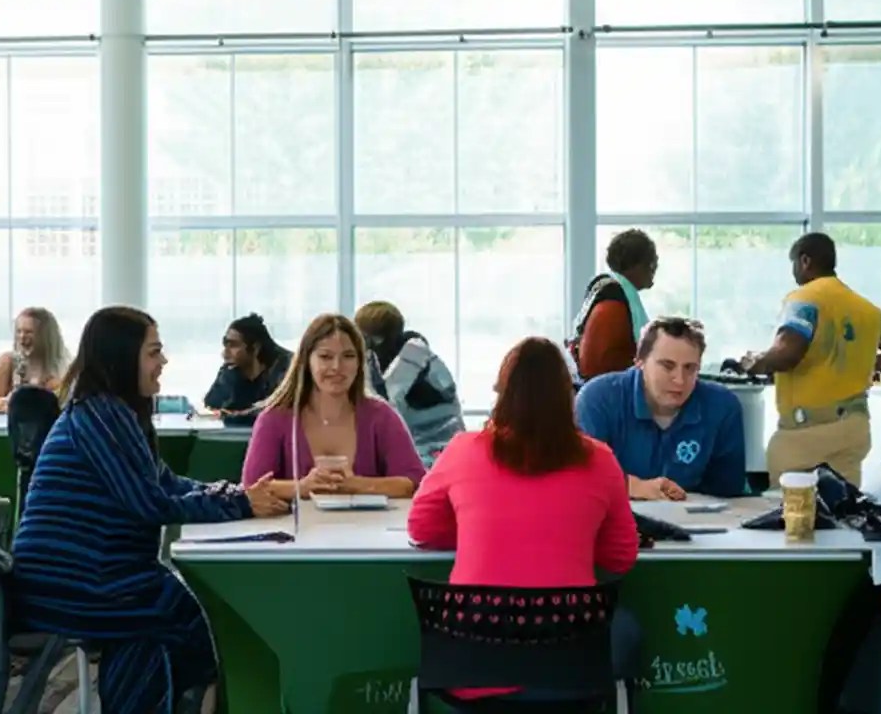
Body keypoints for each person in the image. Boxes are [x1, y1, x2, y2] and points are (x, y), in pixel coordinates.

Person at [10, 305, 289, 714]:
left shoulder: (110, 412)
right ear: (123, 358)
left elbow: (166, 483)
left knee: (166, 627)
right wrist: (242, 502)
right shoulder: (99, 416)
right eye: (154, 352)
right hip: (71, 581)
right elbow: (150, 504)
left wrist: (237, 495)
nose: (164, 361)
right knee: (190, 621)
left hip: (91, 575)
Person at [408, 336, 640, 705]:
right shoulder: (600, 460)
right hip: (570, 669)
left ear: (502, 393)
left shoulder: (462, 450)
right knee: (626, 629)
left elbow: (421, 530)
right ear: (568, 397)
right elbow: (621, 557)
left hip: (471, 665)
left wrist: (480, 529)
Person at [741, 232, 881, 486]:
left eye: (794, 265)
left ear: (805, 261)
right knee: (844, 510)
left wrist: (755, 362)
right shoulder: (866, 309)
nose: (794, 272)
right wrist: (861, 364)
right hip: (854, 427)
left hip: (806, 433)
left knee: (793, 513)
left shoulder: (804, 299)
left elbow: (787, 353)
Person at [241, 313, 426, 499]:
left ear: (360, 362)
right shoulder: (274, 418)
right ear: (307, 361)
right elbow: (251, 488)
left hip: (368, 527)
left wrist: (356, 484)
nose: (337, 367)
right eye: (325, 357)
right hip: (295, 527)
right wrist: (303, 487)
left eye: (348, 356)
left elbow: (415, 481)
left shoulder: (382, 416)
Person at [577, 316, 747, 500]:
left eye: (690, 368)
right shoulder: (598, 399)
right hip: (614, 518)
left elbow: (729, 495)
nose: (679, 380)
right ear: (639, 361)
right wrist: (632, 486)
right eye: (667, 366)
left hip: (692, 521)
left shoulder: (722, 407)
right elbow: (578, 480)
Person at [354, 301, 464, 467]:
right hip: (425, 449)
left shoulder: (414, 352)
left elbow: (384, 406)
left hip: (438, 451)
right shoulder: (388, 359)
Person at [567, 228, 658, 382]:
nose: (655, 267)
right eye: (651, 261)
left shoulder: (606, 289)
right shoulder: (614, 307)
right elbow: (599, 367)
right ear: (635, 265)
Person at [202, 313, 292, 426]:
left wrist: (235, 415)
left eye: (233, 345)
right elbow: (211, 404)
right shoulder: (231, 369)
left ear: (255, 348)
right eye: (225, 345)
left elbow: (278, 410)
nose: (225, 354)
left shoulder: (287, 369)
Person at [0, 307, 71, 412]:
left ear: (46, 337)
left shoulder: (65, 368)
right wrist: (8, 403)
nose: (22, 337)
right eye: (18, 331)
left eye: (29, 332)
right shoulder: (6, 362)